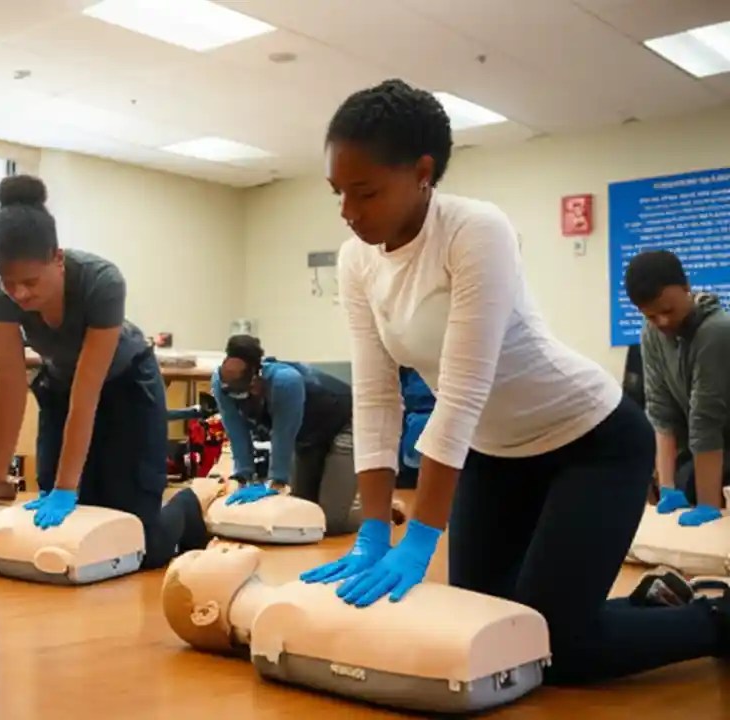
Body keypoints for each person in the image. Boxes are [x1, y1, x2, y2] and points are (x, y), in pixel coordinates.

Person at [299, 79, 727, 684]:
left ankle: (719, 620)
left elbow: (465, 388)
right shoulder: (356, 259)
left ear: (423, 172)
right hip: (496, 455)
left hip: (591, 442)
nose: (348, 211)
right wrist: (372, 528)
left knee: (557, 648)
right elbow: (375, 394)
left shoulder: (476, 229)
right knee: (491, 628)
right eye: (337, 192)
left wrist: (421, 536)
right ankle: (653, 603)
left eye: (364, 192)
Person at [0, 174, 209, 569]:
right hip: (61, 386)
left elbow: (87, 394)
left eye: (30, 282)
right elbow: (9, 382)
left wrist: (66, 489)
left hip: (126, 387)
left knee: (137, 543)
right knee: (63, 537)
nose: (19, 294)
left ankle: (188, 507)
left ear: (58, 258)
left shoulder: (101, 281)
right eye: (8, 282)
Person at [624, 250, 730, 526]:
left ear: (687, 289)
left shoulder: (717, 331)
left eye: (668, 310)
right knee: (685, 481)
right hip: (704, 445)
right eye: (650, 316)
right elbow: (660, 409)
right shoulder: (651, 334)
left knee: (700, 485)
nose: (662, 322)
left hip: (721, 437)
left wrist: (708, 505)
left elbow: (706, 417)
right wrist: (667, 489)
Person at [209, 335, 358, 527]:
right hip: (308, 436)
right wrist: (243, 478)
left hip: (346, 422)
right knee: (304, 517)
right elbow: (236, 431)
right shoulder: (221, 383)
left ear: (256, 379)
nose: (234, 397)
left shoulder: (285, 382)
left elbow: (283, 434)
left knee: (331, 522)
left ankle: (379, 512)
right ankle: (347, 499)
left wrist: (276, 481)